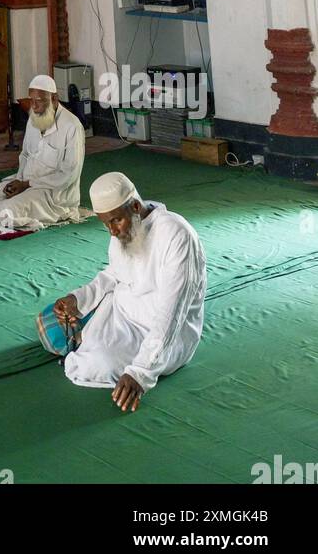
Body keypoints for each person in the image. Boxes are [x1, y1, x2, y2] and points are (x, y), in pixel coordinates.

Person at [37, 170, 206, 411]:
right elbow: (114, 273)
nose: (112, 231)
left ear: (135, 206)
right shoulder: (126, 229)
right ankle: (82, 335)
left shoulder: (176, 235)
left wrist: (141, 372)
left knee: (95, 365)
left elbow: (172, 314)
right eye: (105, 223)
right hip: (121, 314)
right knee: (48, 319)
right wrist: (78, 298)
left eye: (115, 220)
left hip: (165, 334)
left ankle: (82, 338)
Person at [0, 74, 84, 230]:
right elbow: (25, 155)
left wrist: (27, 184)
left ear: (54, 99)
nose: (34, 106)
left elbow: (69, 174)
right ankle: (8, 208)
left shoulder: (72, 126)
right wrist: (19, 180)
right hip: (25, 182)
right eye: (31, 100)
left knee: (8, 211)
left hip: (52, 193)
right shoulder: (34, 119)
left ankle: (10, 210)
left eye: (39, 100)